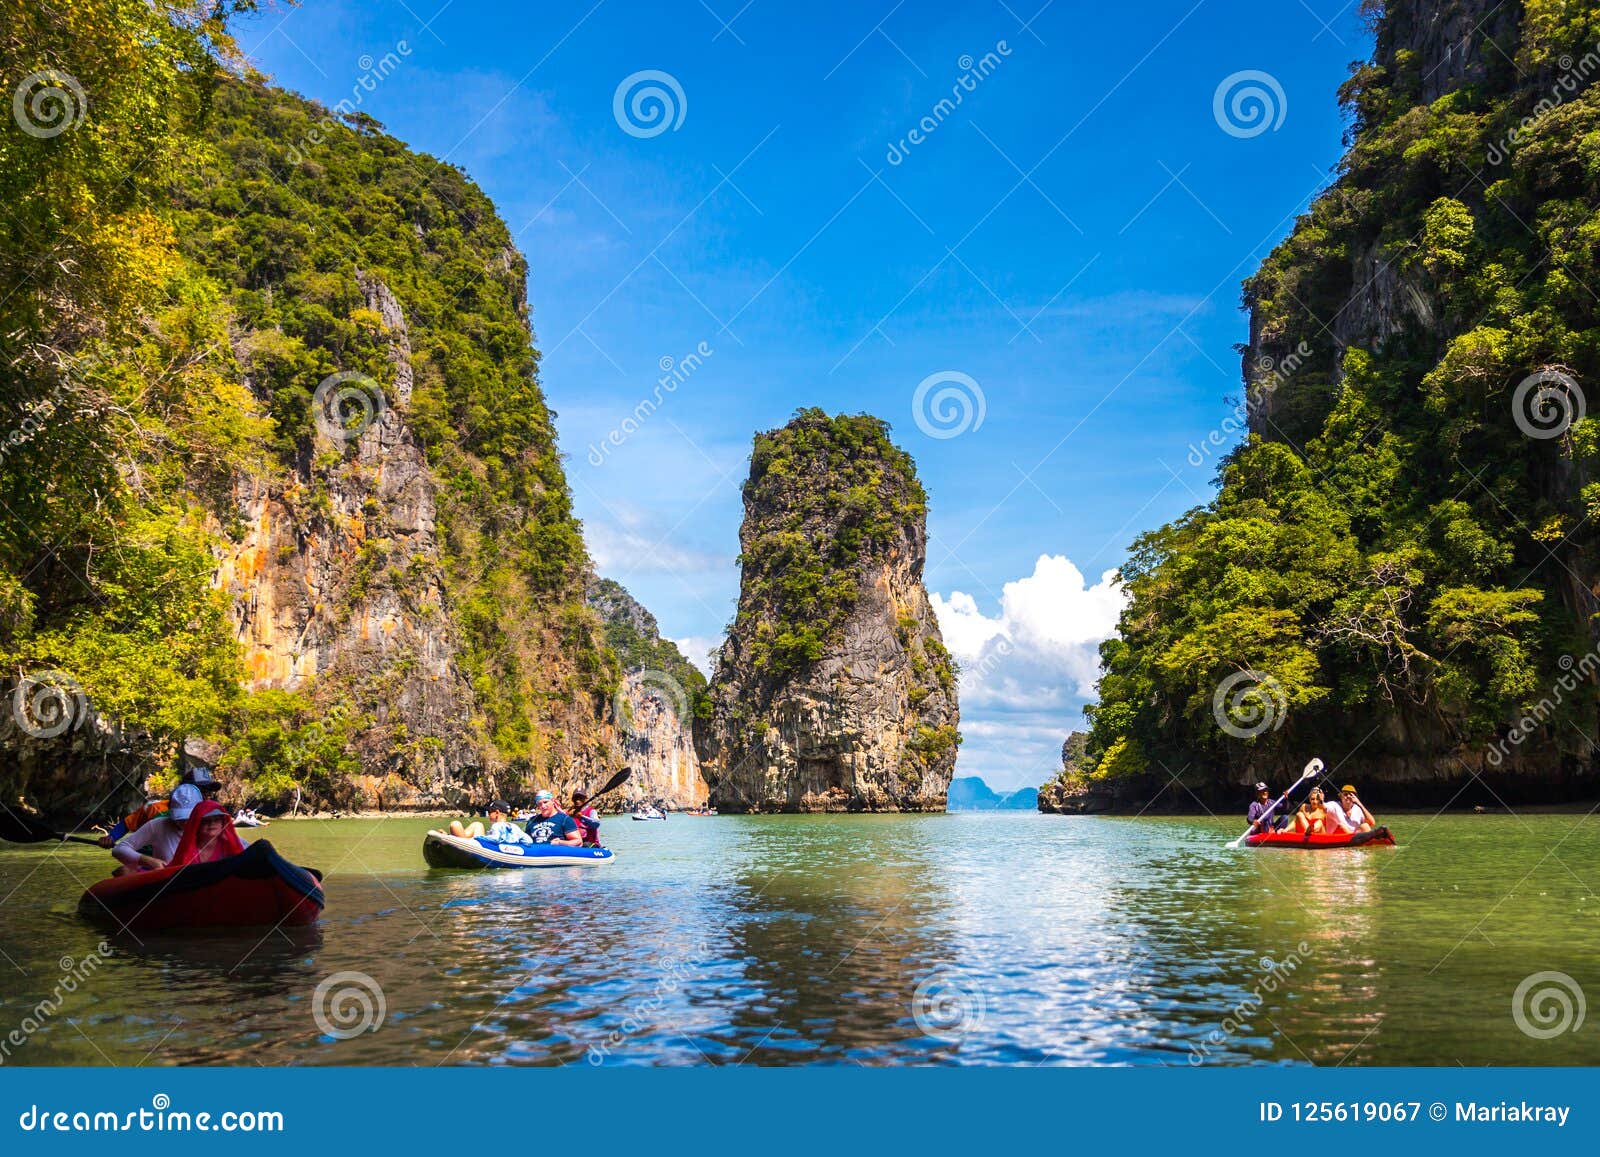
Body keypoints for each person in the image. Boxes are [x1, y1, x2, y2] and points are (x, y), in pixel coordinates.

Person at [111, 784, 203, 873]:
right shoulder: (159, 825)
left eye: (189, 817)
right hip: (166, 878)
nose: (185, 821)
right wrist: (149, 861)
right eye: (180, 818)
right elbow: (119, 849)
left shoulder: (208, 828)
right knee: (124, 871)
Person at [168, 801, 246, 867]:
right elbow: (175, 869)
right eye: (206, 820)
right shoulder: (188, 847)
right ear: (197, 824)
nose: (212, 823)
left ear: (223, 823)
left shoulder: (230, 845)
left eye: (216, 820)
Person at [449, 801, 531, 843]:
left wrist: (476, 838)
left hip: (484, 847)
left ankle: (452, 840)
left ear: (497, 812)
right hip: (510, 848)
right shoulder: (515, 827)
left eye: (490, 812)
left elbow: (494, 839)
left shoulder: (496, 826)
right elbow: (528, 840)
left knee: (455, 824)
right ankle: (453, 838)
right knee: (477, 825)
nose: (488, 815)